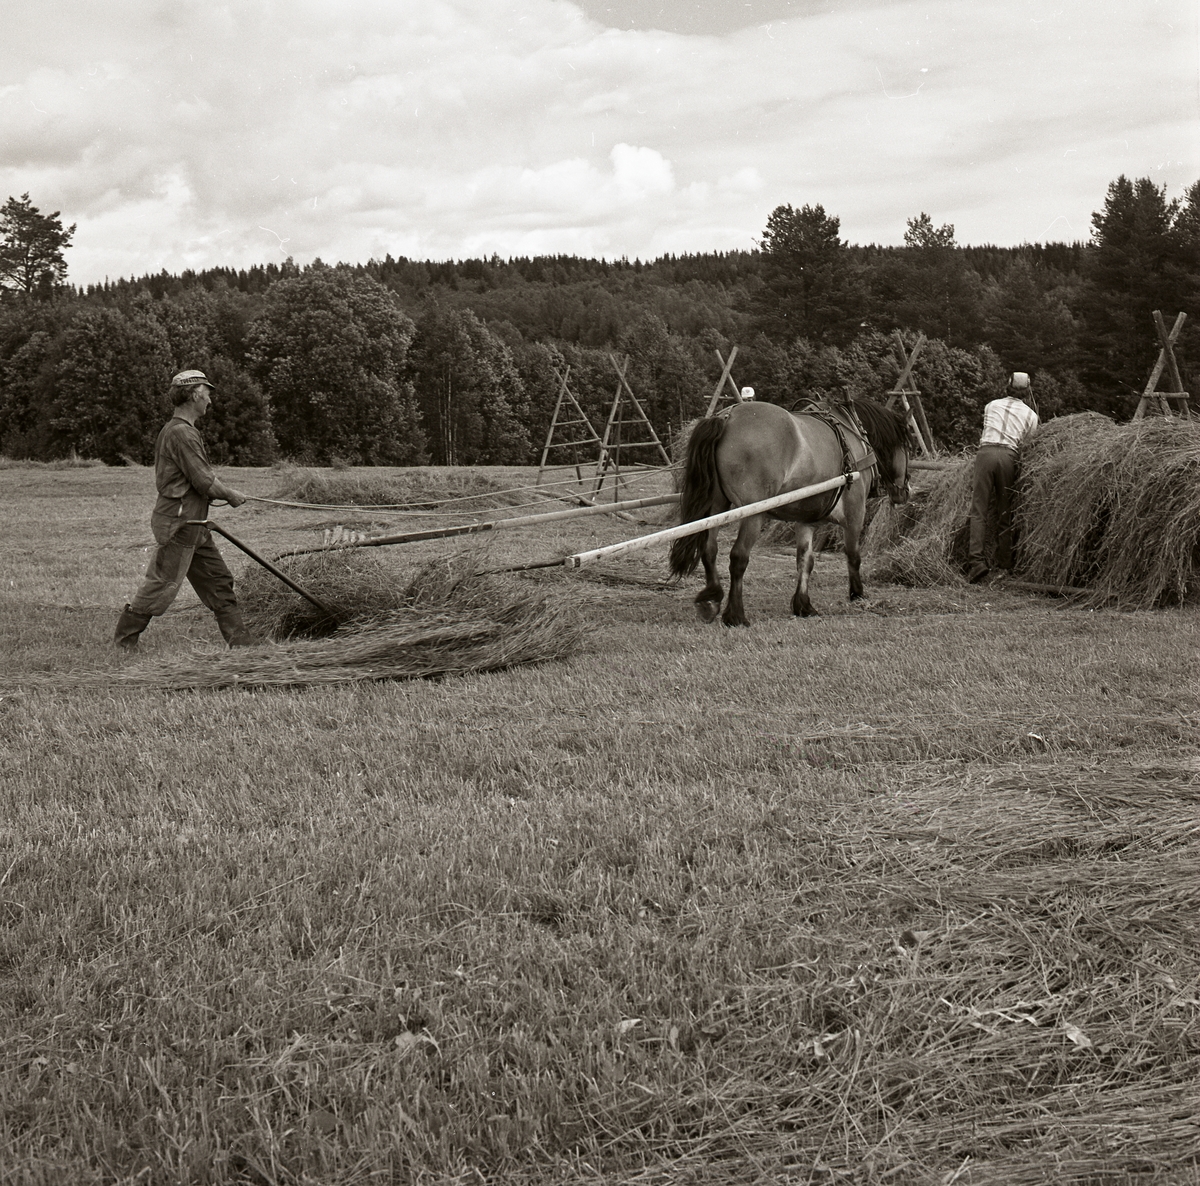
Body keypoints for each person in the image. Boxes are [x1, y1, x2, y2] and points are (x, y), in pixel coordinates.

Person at [114, 370, 256, 651]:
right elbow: (205, 481)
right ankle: (124, 642)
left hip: (195, 524)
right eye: (208, 393)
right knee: (162, 585)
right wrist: (231, 495)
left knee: (218, 581)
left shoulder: (180, 430)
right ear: (194, 395)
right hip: (179, 524)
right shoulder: (181, 433)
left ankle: (243, 646)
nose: (210, 401)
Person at [967, 371, 1039, 583]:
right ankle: (1004, 564)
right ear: (1027, 391)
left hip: (986, 453)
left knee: (978, 509)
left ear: (1007, 385)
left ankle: (976, 563)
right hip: (1009, 457)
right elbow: (1027, 444)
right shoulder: (1031, 416)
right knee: (1004, 510)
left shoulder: (990, 405)